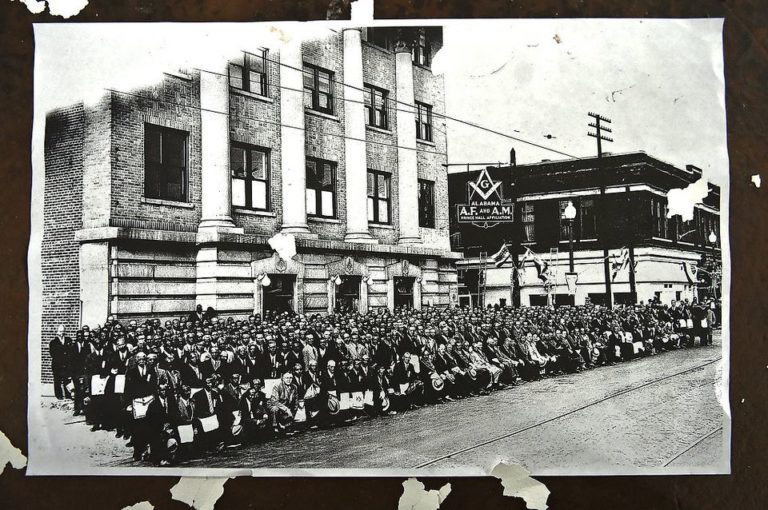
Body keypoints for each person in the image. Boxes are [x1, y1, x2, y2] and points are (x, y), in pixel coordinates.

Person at [50, 325, 72, 399]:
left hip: (66, 365)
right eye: (60, 331)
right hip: (57, 365)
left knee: (67, 381)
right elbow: (53, 354)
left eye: (63, 331)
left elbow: (70, 352)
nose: (61, 333)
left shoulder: (68, 340)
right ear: (57, 332)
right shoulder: (53, 342)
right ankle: (59, 396)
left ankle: (68, 396)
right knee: (57, 381)